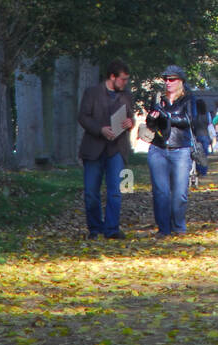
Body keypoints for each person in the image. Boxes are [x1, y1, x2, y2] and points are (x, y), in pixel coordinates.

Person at [77, 59, 135, 241]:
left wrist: (130, 123)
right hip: (94, 148)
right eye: (123, 79)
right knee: (91, 192)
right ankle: (95, 229)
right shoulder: (92, 93)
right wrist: (100, 129)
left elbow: (130, 116)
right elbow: (83, 117)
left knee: (116, 191)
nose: (125, 83)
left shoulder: (126, 96)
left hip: (116, 148)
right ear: (112, 77)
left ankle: (111, 229)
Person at [145, 66, 195, 237]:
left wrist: (167, 117)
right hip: (158, 148)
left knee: (180, 193)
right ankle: (163, 228)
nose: (168, 82)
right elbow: (151, 124)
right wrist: (151, 119)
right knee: (161, 192)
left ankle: (178, 226)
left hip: (180, 148)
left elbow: (189, 120)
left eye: (172, 79)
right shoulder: (158, 98)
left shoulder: (188, 98)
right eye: (165, 79)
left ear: (180, 81)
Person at [193, 98, 212, 178]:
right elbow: (209, 123)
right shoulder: (207, 114)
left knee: (197, 154)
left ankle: (199, 170)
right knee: (204, 155)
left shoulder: (195, 115)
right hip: (205, 135)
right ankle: (204, 171)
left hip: (197, 136)